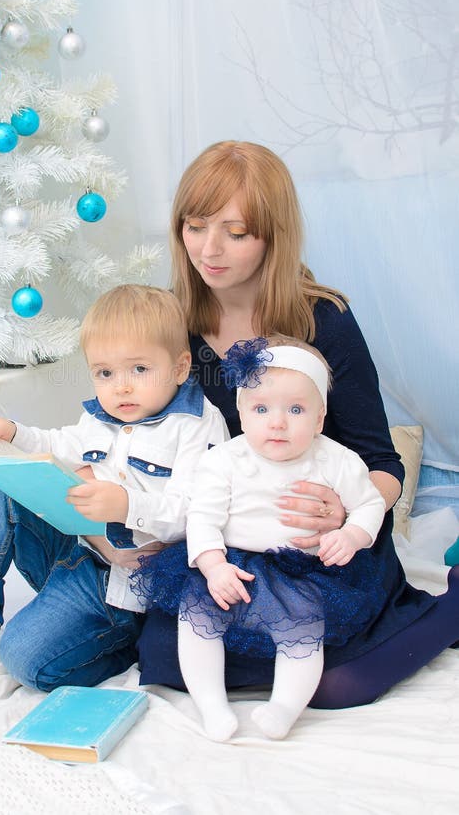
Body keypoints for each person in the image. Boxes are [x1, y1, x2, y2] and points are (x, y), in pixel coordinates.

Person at [136, 140, 459, 708]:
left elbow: (384, 464)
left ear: (272, 237)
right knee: (164, 660)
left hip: (317, 550)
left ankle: (451, 609)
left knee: (337, 685)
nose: (208, 250)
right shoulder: (174, 320)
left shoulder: (324, 319)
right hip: (233, 544)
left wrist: (346, 514)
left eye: (235, 233)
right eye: (194, 226)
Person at [0, 285, 229, 690]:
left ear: (181, 368)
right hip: (80, 550)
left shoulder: (198, 424)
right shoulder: (102, 416)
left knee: (25, 660)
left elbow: (195, 514)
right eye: (105, 373)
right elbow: (61, 446)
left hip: (123, 585)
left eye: (140, 370)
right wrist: (14, 434)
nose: (121, 387)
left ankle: (119, 647)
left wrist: (126, 505)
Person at [133, 335, 388, 741]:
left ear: (320, 418)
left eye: (296, 410)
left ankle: (284, 708)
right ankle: (212, 706)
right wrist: (214, 566)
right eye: (261, 408)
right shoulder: (224, 460)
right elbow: (202, 518)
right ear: (242, 411)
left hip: (299, 569)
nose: (277, 422)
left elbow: (371, 504)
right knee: (196, 619)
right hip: (231, 561)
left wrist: (353, 535)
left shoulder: (336, 459)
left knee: (303, 633)